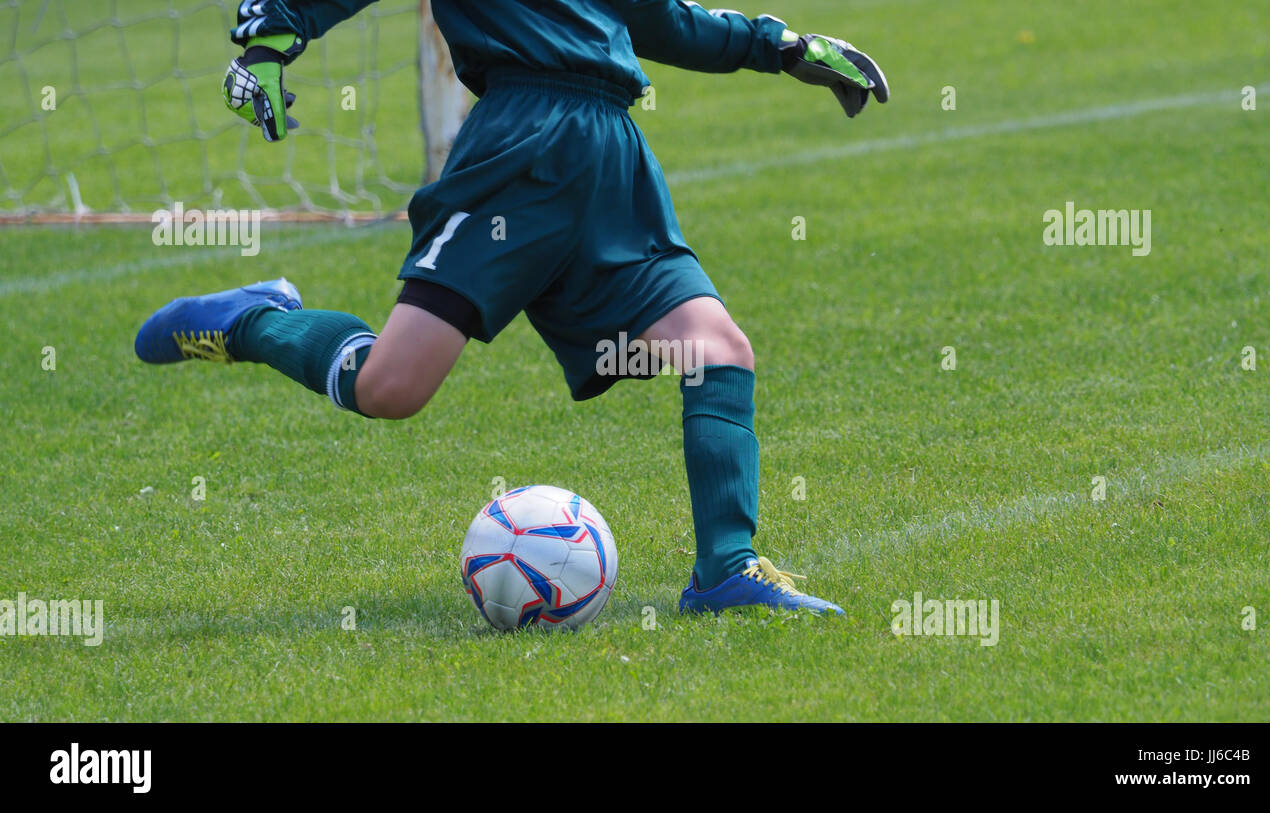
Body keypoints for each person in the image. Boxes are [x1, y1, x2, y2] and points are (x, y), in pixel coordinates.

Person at [135, 0, 889, 616]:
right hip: (520, 142)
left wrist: (785, 48)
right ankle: (255, 320)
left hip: (610, 153)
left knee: (716, 346)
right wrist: (271, 40)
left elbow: (661, 20)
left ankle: (726, 571)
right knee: (390, 387)